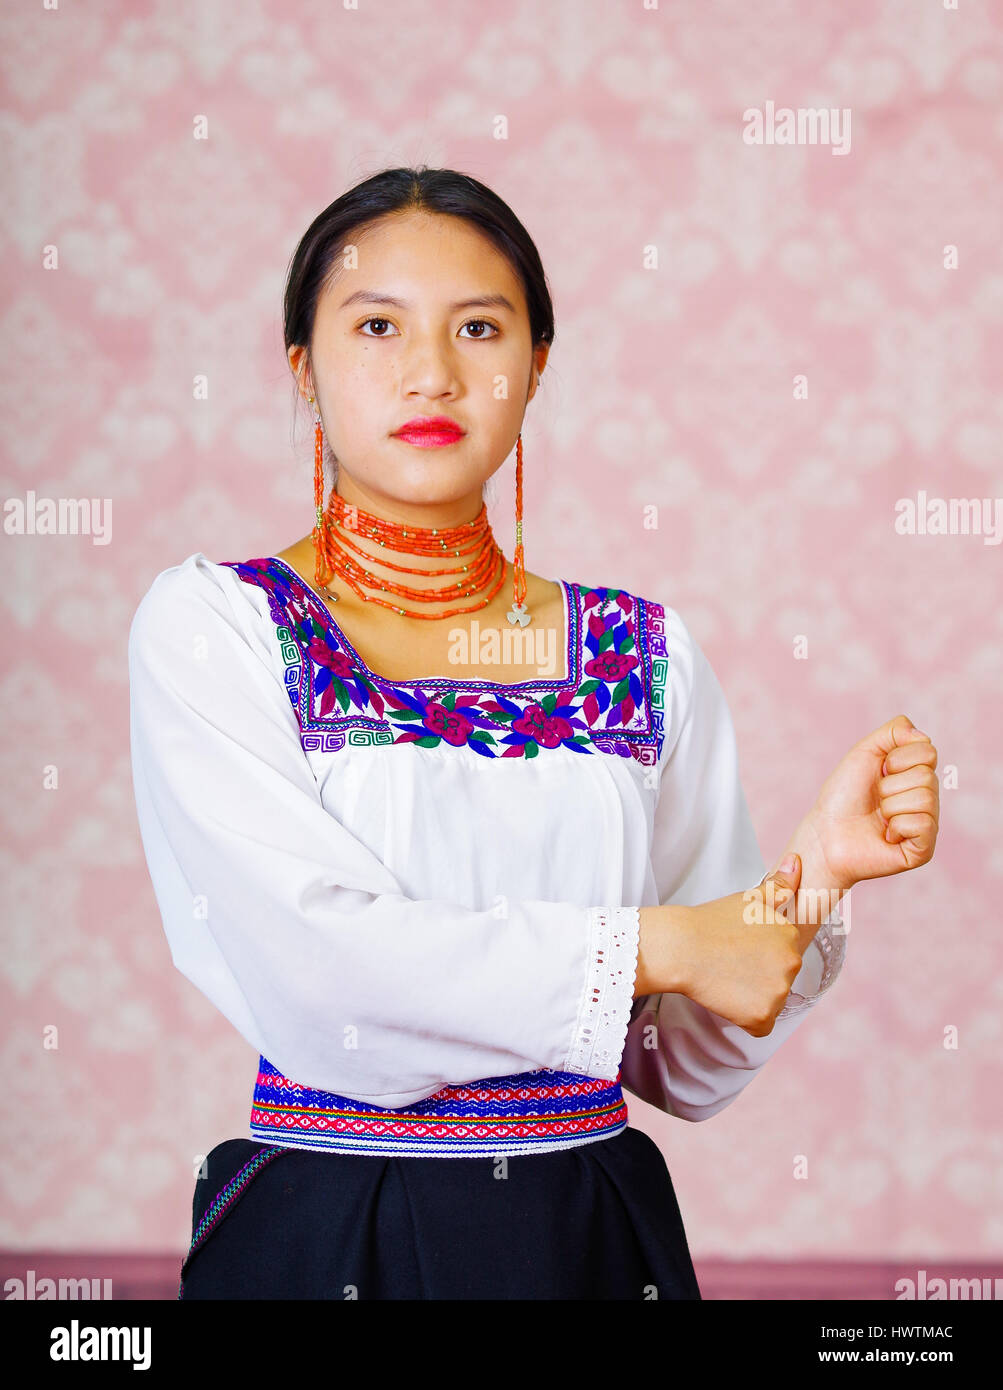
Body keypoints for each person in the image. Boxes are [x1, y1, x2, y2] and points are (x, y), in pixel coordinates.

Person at [128, 166, 940, 1301]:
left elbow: (686, 1063)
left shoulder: (642, 651)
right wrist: (672, 940)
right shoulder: (218, 626)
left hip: (590, 1233)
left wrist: (808, 883)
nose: (432, 371)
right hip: (333, 1229)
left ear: (536, 365)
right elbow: (326, 969)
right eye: (376, 326)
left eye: (479, 326)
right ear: (302, 370)